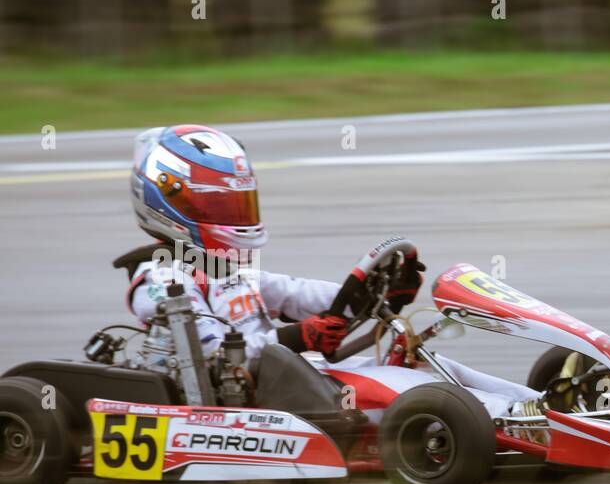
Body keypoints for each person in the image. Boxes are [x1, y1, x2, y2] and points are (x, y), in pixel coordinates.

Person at [120, 124, 537, 417]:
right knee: (410, 388)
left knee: (434, 368)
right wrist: (297, 337)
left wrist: (374, 293)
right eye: (220, 206)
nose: (234, 217)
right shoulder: (160, 280)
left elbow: (297, 295)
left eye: (238, 204)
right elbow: (210, 357)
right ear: (168, 204)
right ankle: (521, 424)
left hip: (303, 376)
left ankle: (544, 406)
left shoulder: (222, 267)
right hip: (258, 397)